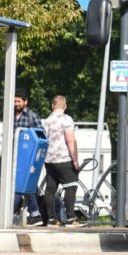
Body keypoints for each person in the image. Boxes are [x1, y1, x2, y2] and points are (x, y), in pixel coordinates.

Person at [40, 94, 81, 227]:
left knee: (50, 189)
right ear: (65, 106)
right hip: (63, 159)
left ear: (52, 106)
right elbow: (70, 140)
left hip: (49, 160)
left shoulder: (46, 121)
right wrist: (75, 160)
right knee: (71, 186)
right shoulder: (66, 119)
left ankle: (51, 219)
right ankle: (70, 218)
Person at [12, 90, 43, 225]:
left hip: (28, 157)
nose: (16, 104)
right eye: (14, 101)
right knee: (18, 184)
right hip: (13, 156)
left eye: (18, 101)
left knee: (25, 183)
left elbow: (41, 135)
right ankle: (34, 214)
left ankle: (31, 213)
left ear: (25, 102)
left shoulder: (32, 116)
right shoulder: (9, 116)